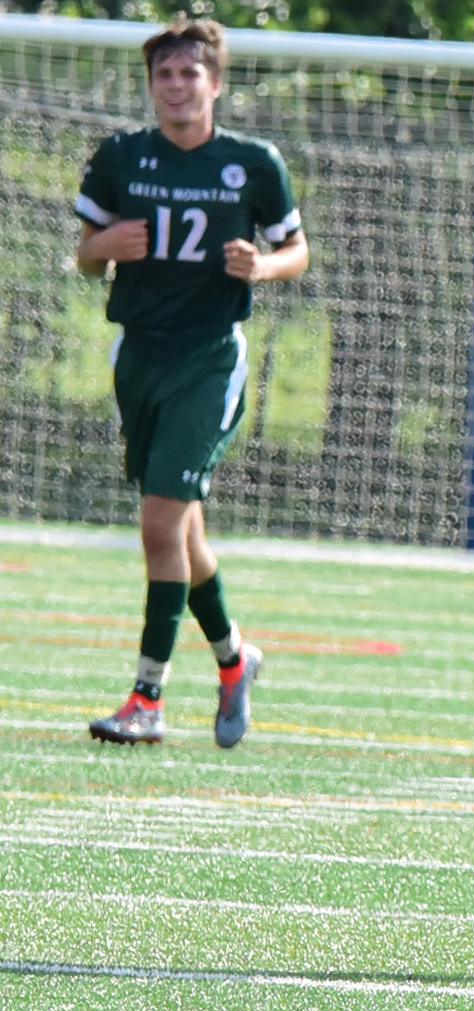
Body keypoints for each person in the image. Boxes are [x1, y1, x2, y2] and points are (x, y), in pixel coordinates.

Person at [76, 17, 307, 748]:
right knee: (184, 529)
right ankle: (235, 659)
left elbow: (295, 250)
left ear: (216, 82)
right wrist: (101, 250)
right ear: (151, 87)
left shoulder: (252, 163)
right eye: (164, 76)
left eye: (189, 74)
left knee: (157, 524)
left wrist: (262, 266)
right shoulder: (120, 157)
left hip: (210, 358)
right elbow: (86, 252)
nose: (176, 87)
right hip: (139, 353)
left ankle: (146, 697)